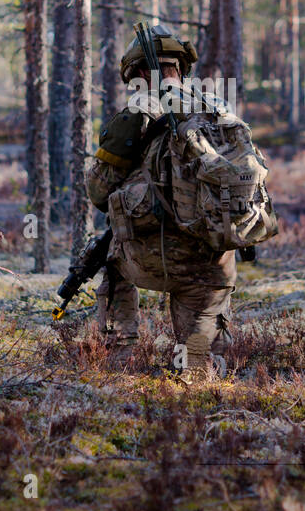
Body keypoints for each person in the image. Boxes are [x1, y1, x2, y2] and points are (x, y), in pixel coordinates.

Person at [86, 25, 236, 382]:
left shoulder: (138, 114)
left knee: (109, 257)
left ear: (139, 73)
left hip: (152, 260)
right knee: (199, 367)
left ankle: (117, 359)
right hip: (212, 262)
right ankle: (203, 369)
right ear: (181, 68)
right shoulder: (220, 111)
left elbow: (98, 193)